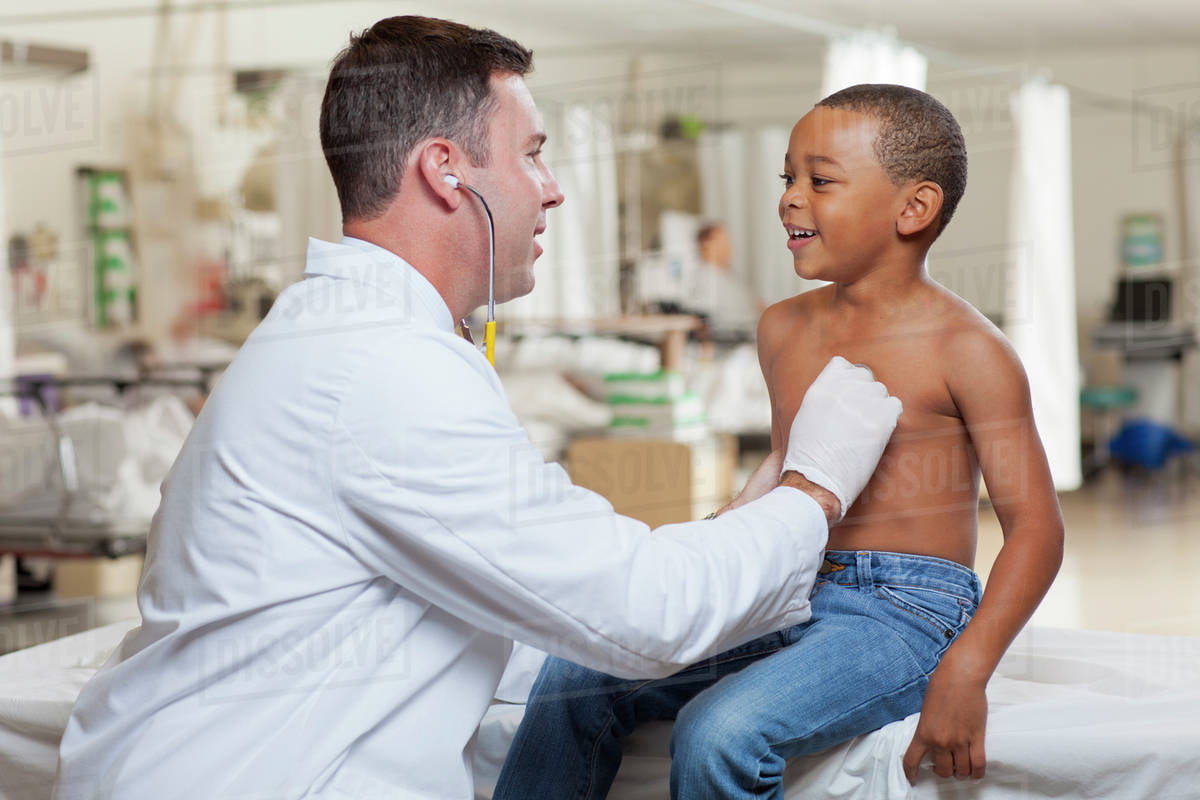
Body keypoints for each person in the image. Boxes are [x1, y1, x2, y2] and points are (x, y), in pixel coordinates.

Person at [52, 20, 904, 800]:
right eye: (531, 154)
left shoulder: (348, 337)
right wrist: (815, 486)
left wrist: (746, 518)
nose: (554, 189)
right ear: (444, 169)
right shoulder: (383, 369)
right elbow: (644, 613)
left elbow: (545, 586)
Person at [494, 84, 1065, 799]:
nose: (791, 199)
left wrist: (968, 669)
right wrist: (710, 554)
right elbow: (790, 469)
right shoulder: (784, 330)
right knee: (573, 679)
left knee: (722, 733)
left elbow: (1037, 529)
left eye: (820, 181)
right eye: (787, 178)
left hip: (904, 610)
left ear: (913, 209)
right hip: (786, 575)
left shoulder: (968, 350)